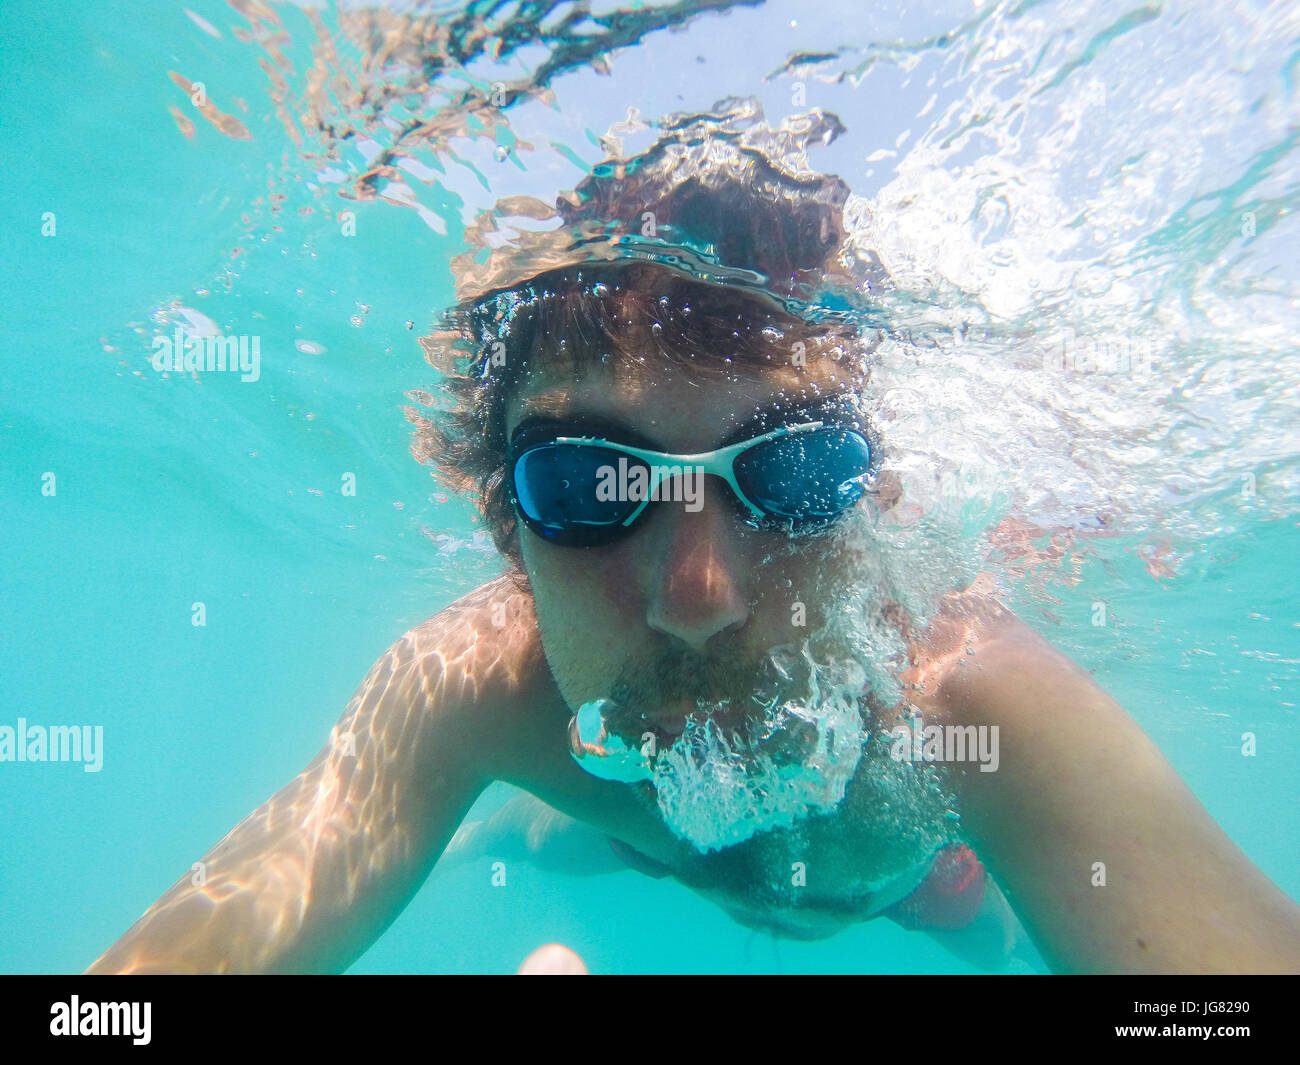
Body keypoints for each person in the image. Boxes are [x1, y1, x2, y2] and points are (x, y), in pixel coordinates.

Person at [86, 104, 1300, 975]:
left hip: (904, 882)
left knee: (963, 922)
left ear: (872, 501)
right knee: (564, 837)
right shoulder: (470, 694)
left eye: (797, 472)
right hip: (635, 840)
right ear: (509, 536)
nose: (697, 595)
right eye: (587, 486)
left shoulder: (974, 711)